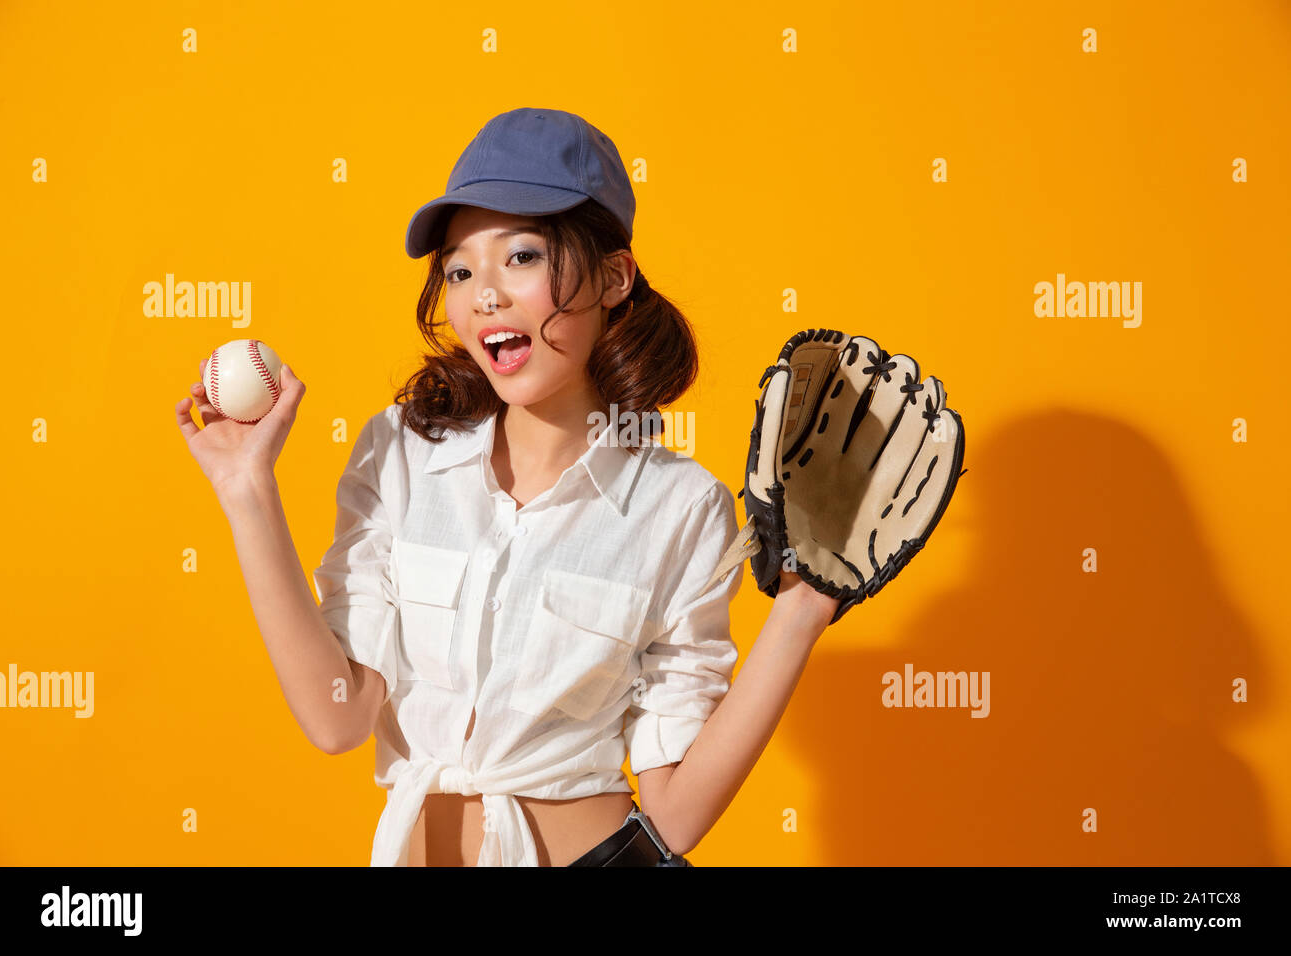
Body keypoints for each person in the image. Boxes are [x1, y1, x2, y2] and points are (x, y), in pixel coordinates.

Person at [174, 107, 840, 866]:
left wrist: (801, 611)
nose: (483, 294)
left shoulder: (681, 506)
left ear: (614, 277)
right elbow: (339, 719)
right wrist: (246, 489)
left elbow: (677, 814)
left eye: (521, 256)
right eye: (460, 269)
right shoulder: (398, 455)